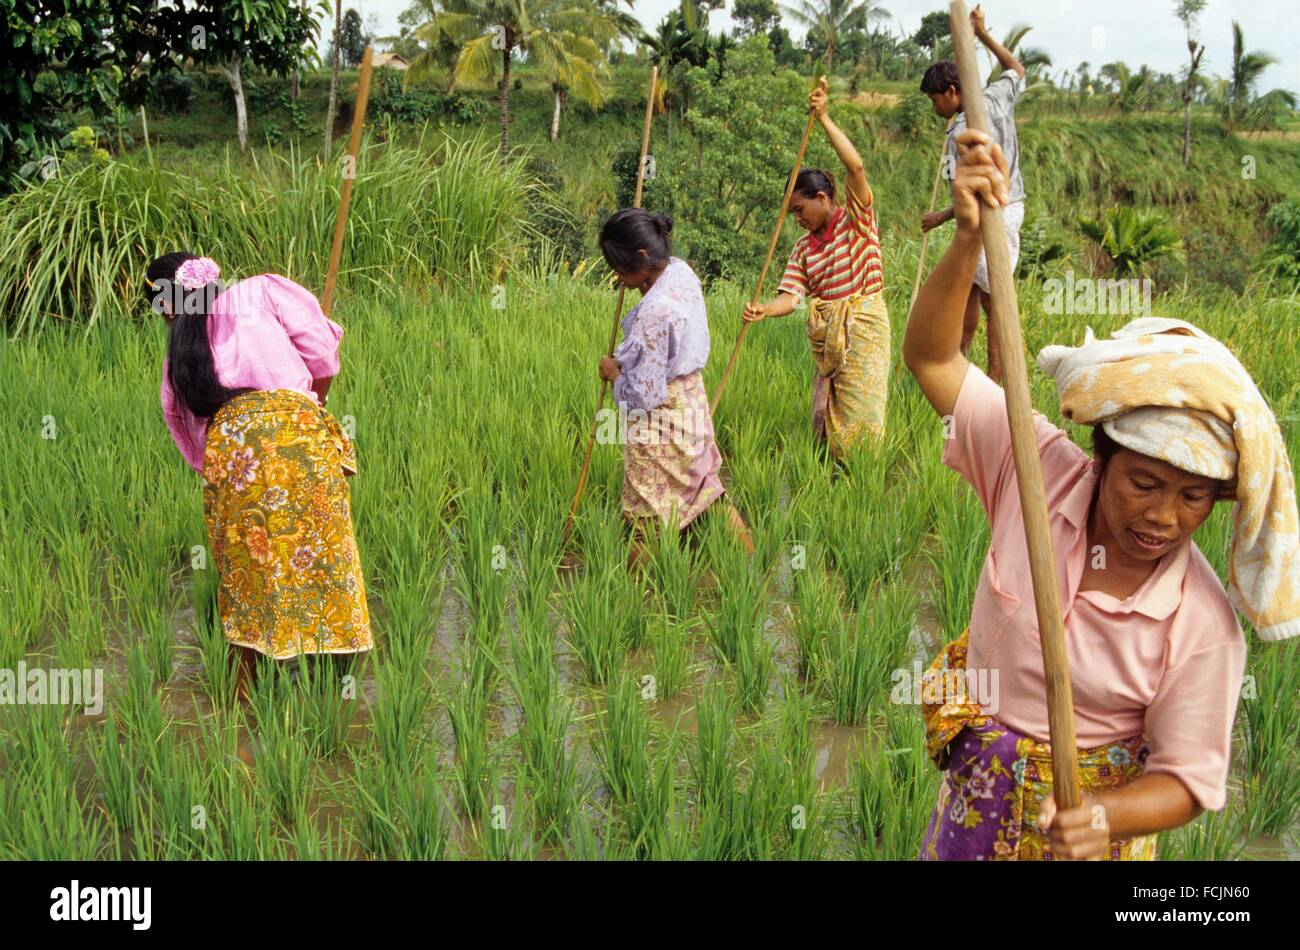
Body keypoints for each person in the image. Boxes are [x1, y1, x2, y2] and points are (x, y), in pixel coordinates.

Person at [902, 130, 1299, 860]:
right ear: (1101, 457)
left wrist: (1107, 819)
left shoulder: (1201, 624)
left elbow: (1186, 779)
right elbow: (932, 357)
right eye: (1145, 483)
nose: (1163, 516)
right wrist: (965, 240)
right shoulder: (1034, 469)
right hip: (971, 799)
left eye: (1194, 498)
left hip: (1085, 837)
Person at [146, 253, 371, 696]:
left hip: (234, 459)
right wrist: (309, 401)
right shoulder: (262, 290)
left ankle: (238, 714)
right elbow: (323, 356)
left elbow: (196, 449)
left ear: (167, 309)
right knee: (327, 565)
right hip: (301, 440)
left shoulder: (178, 360)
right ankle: (339, 701)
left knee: (247, 582)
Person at [741, 77, 890, 461]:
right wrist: (763, 311)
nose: (797, 219)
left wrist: (823, 118)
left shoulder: (854, 220)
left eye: (800, 210)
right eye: (791, 213)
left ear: (822, 198)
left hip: (863, 330)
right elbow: (791, 298)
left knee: (862, 416)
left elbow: (855, 166)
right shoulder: (803, 248)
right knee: (829, 417)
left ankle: (863, 482)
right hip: (830, 339)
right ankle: (833, 479)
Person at [596, 209, 753, 557]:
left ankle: (636, 602)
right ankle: (754, 567)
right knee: (706, 493)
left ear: (641, 256)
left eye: (620, 269)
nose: (617, 278)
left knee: (645, 513)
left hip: (661, 419)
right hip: (691, 401)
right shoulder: (681, 271)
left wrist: (614, 374)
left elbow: (642, 396)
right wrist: (643, 286)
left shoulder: (655, 312)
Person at [920, 3, 1025, 384]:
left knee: (987, 296)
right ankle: (960, 361)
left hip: (991, 214)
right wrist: (982, 34)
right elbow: (1016, 70)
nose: (935, 108)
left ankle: (996, 376)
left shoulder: (960, 132)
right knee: (969, 289)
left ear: (952, 91)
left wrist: (940, 217)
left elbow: (969, 193)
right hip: (1014, 206)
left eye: (935, 100)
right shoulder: (996, 97)